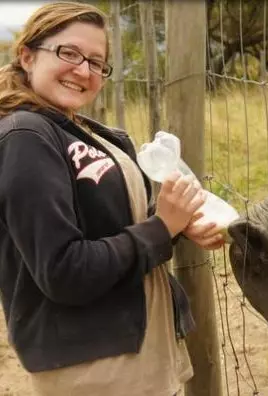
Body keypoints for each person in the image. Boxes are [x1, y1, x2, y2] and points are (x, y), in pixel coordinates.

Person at [0, 2, 225, 395]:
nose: (83, 70)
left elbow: (111, 230)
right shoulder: (26, 137)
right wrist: (161, 227)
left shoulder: (74, 127)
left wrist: (178, 223)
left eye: (96, 62)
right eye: (68, 53)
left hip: (132, 352)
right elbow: (63, 272)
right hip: (95, 369)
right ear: (27, 55)